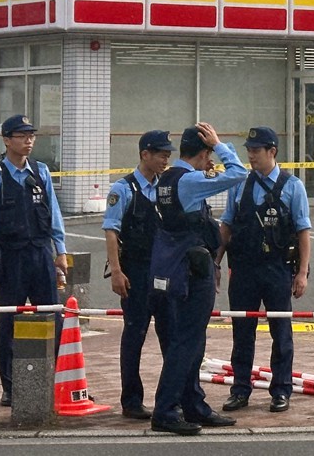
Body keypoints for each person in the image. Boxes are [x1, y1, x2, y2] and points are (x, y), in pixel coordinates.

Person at [150, 122, 247, 435]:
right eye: (209, 154)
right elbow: (238, 173)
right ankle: (166, 410)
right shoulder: (190, 180)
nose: (211, 161)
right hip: (192, 270)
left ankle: (194, 405)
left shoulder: (167, 178)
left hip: (175, 267)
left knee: (190, 341)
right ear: (203, 152)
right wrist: (221, 145)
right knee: (187, 342)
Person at [0, 114, 68, 407]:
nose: (28, 141)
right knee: (9, 321)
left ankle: (56, 380)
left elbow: (54, 215)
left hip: (41, 254)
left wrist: (60, 251)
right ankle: (10, 386)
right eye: (22, 136)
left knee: (52, 317)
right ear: (7, 140)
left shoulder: (42, 172)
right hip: (11, 258)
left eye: (31, 136)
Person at [217, 126, 311, 414]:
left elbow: (303, 231)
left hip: (277, 269)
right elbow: (226, 225)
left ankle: (281, 390)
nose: (251, 155)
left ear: (272, 151)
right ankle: (240, 390)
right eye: (249, 150)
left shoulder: (292, 186)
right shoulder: (240, 184)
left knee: (280, 332)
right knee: (242, 333)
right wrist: (215, 263)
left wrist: (302, 273)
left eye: (256, 150)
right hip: (243, 269)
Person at [103, 130, 174, 420]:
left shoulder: (166, 188)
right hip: (136, 272)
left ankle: (171, 397)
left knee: (170, 335)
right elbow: (111, 231)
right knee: (135, 336)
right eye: (161, 155)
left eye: (168, 155)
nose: (165, 160)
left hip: (164, 272)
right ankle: (131, 401)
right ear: (145, 154)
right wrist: (116, 271)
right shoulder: (123, 189)